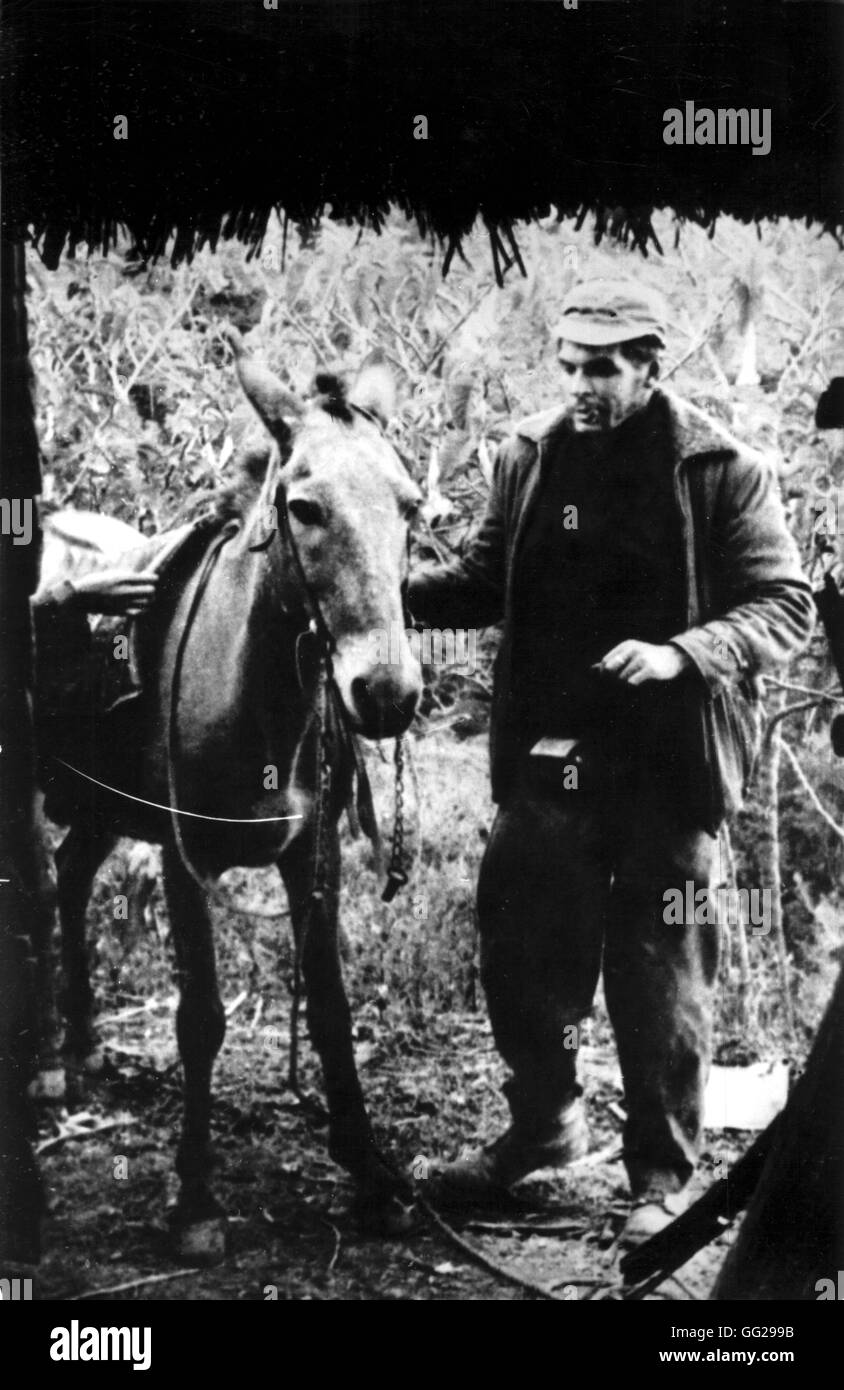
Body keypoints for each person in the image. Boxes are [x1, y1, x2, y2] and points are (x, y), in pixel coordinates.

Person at [408, 278, 815, 1247]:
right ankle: (544, 1129)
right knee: (524, 948)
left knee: (659, 969)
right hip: (550, 757)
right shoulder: (527, 456)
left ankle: (660, 1177)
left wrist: (680, 653)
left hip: (667, 765)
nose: (580, 386)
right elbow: (479, 577)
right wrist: (385, 590)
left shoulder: (720, 468)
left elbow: (783, 607)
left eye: (600, 369)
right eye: (568, 367)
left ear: (647, 367)